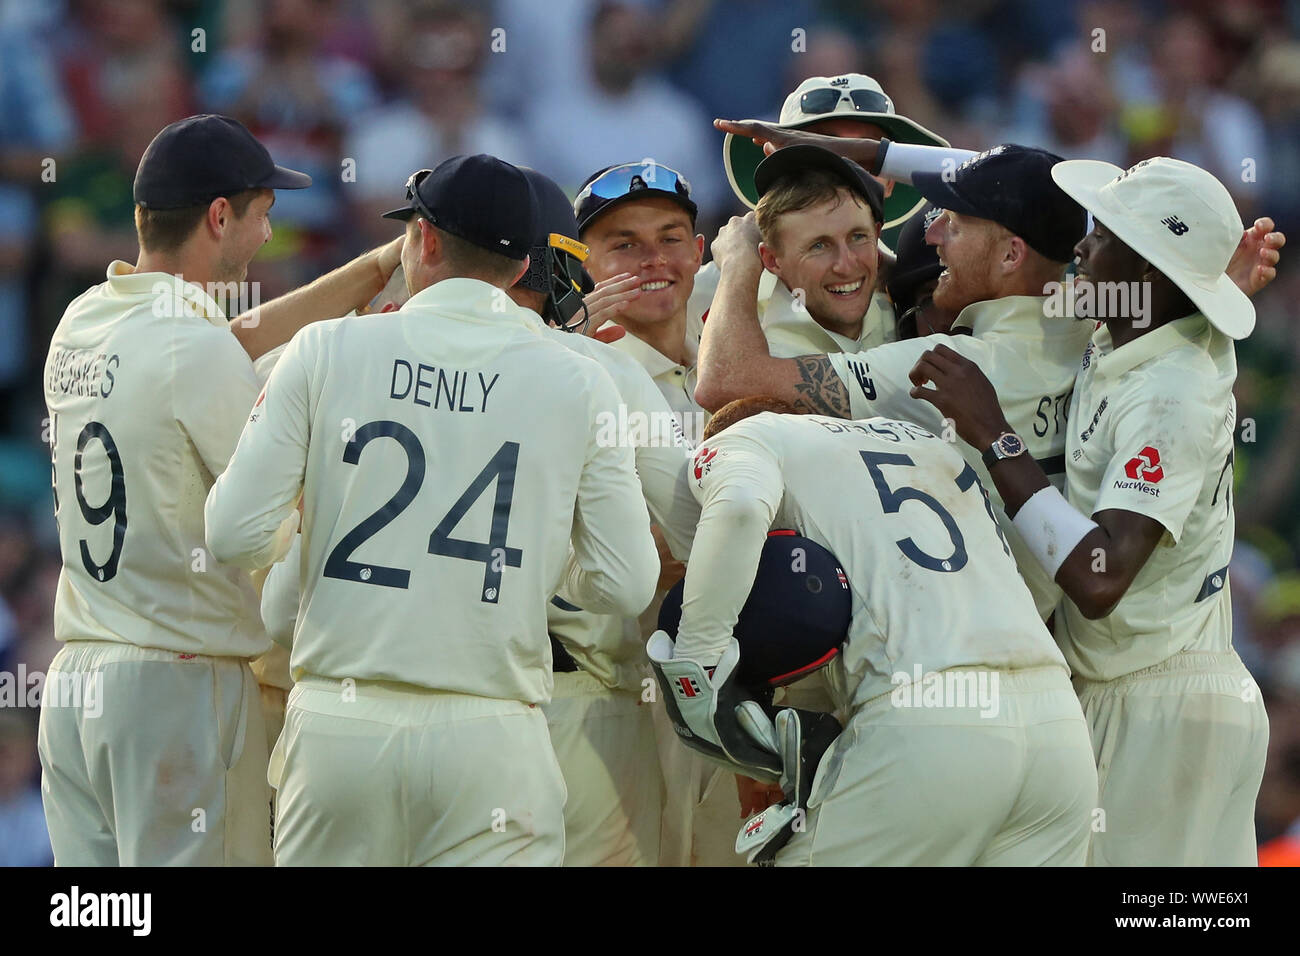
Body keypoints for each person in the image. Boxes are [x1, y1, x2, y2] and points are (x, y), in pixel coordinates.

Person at [203, 154, 659, 866]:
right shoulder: (580, 379)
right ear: (519, 273)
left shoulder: (326, 349)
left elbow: (233, 535)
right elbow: (628, 582)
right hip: (493, 732)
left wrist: (311, 531)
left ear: (426, 241)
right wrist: (535, 571)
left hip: (337, 729)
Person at [38, 113, 404, 867]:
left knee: (102, 915)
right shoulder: (191, 348)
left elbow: (227, 344)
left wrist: (371, 272)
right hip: (176, 684)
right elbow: (270, 496)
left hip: (77, 678)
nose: (267, 236)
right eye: (262, 214)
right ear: (218, 216)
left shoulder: (86, 318)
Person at [908, 157, 1273, 865]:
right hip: (1152, 692)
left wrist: (996, 437)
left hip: (1160, 707)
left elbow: (1101, 578)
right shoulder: (1128, 326)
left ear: (1145, 276)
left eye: (1101, 236)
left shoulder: (1171, 396)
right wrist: (854, 157)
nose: (1079, 247)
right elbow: (1010, 222)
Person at [656, 397, 1098, 865]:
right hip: (1061, 733)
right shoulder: (928, 443)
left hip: (927, 723)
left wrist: (696, 669)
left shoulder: (746, 437)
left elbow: (741, 506)